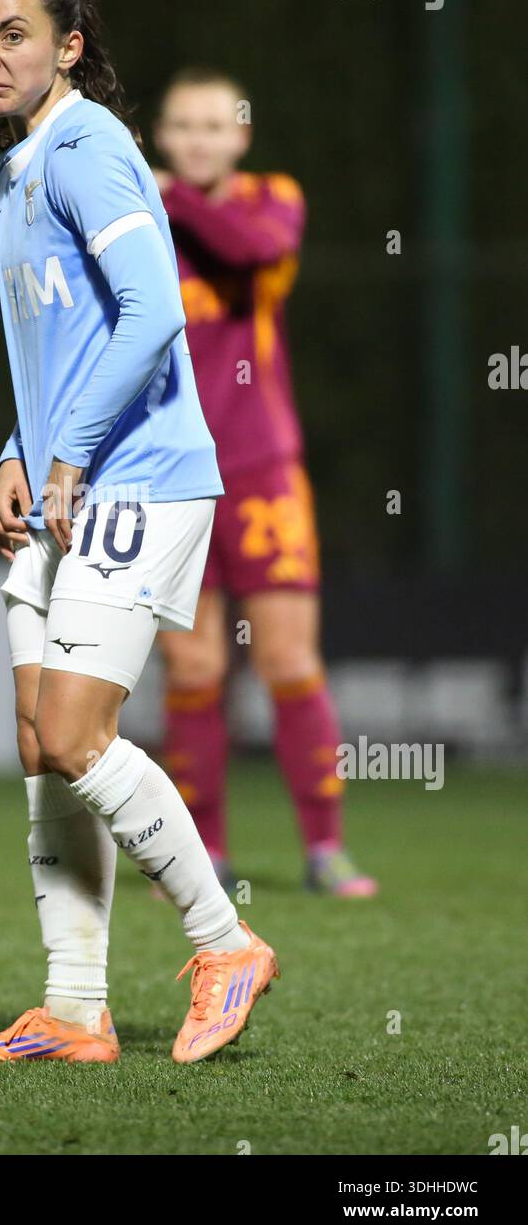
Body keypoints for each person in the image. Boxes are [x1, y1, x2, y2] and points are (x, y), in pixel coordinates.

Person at [0, 0, 280, 1066]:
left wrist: (69, 450)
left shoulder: (87, 150)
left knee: (80, 731)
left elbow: (147, 319)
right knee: (42, 745)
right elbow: (59, 345)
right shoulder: (11, 172)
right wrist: (14, 447)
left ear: (68, 45)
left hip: (133, 478)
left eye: (14, 35)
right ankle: (75, 1011)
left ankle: (224, 942)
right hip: (61, 482)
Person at [151, 67, 377, 898]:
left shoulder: (270, 199)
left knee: (286, 657)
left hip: (259, 465)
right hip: (170, 471)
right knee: (194, 669)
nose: (201, 138)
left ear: (241, 135)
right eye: (185, 125)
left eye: (217, 125)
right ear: (162, 136)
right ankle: (202, 854)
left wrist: (163, 194)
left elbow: (254, 251)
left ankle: (326, 849)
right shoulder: (141, 215)